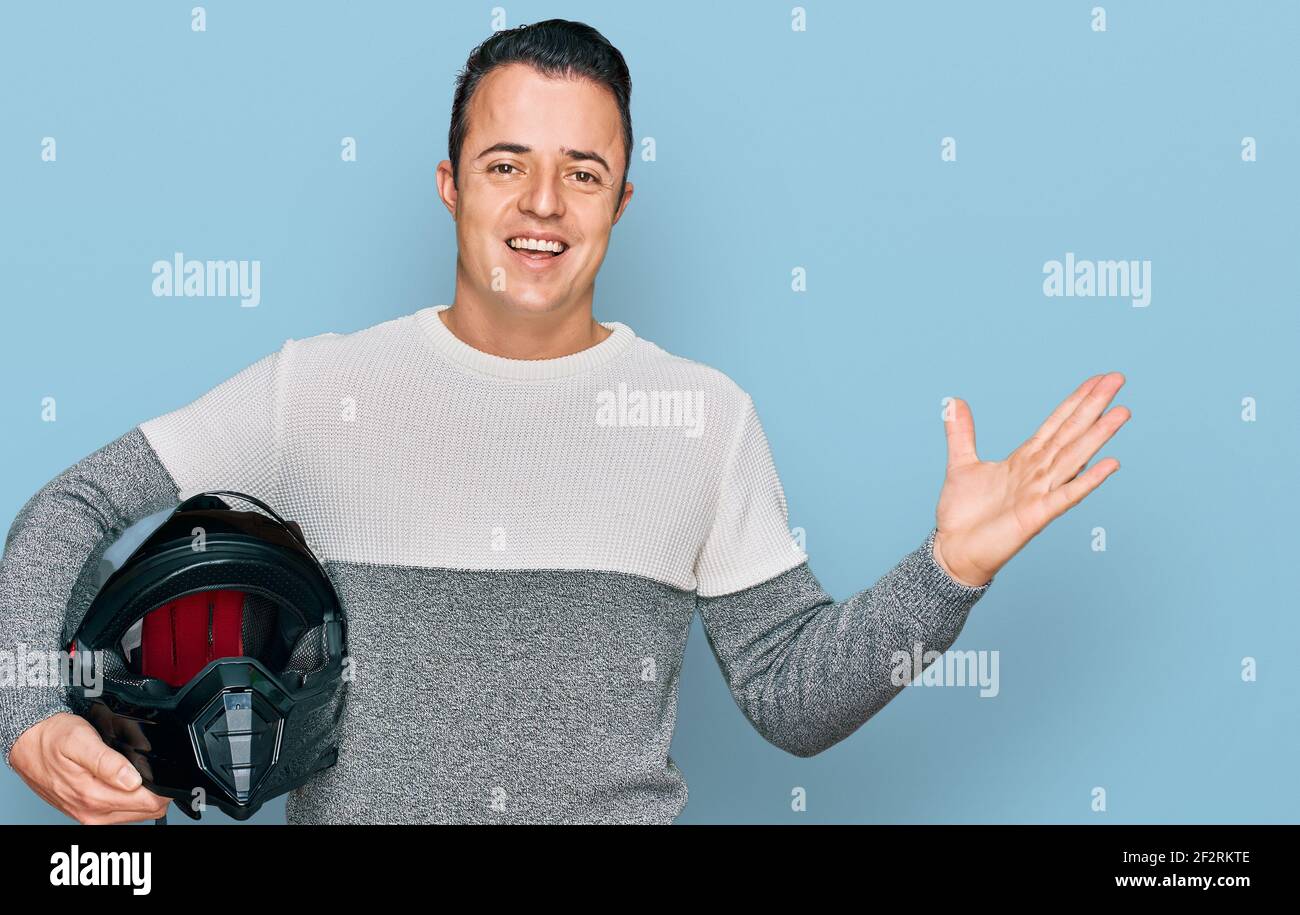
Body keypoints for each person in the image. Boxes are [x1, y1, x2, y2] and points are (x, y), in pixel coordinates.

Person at [0, 19, 1128, 825]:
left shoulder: (701, 419)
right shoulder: (315, 391)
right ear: (451, 184)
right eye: (507, 165)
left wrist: (949, 568)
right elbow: (74, 507)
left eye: (581, 173)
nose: (542, 204)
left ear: (622, 197)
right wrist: (25, 716)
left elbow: (789, 698)